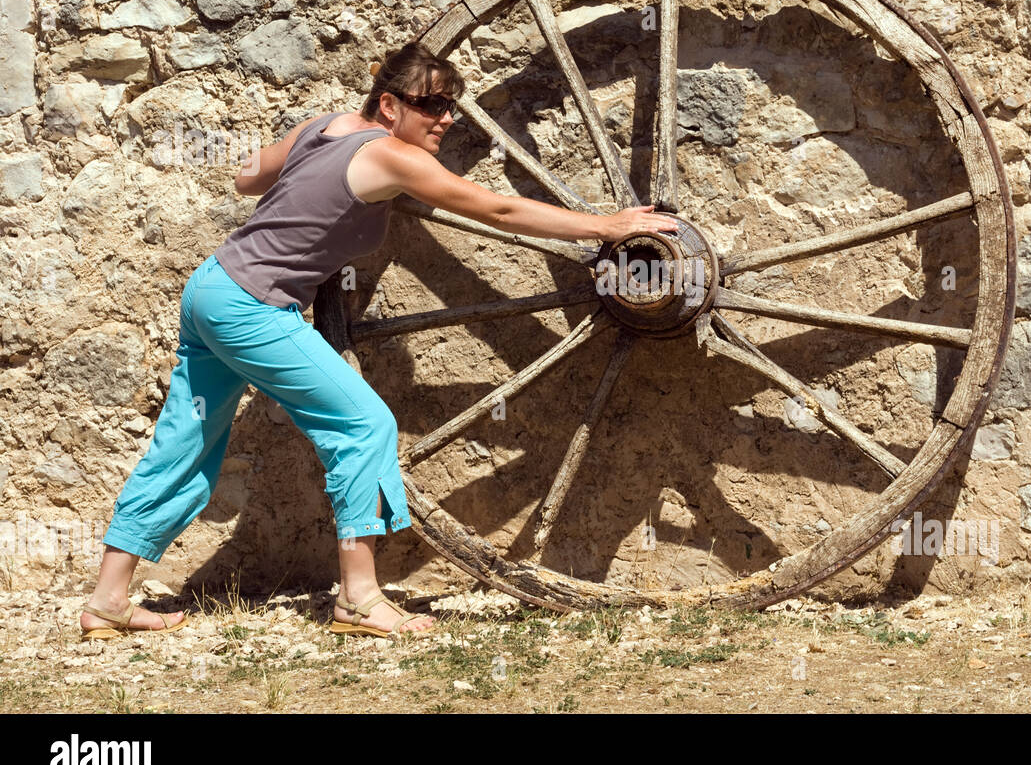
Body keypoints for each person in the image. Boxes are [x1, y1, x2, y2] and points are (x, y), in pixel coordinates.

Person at [79, 41, 678, 640]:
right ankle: (360, 598)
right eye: (432, 105)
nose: (446, 118)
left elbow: (246, 177)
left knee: (185, 438)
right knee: (364, 425)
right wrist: (606, 225)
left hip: (211, 288)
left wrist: (308, 195)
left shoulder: (326, 125)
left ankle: (107, 602)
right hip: (252, 306)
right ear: (389, 104)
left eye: (453, 106)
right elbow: (495, 209)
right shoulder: (392, 157)